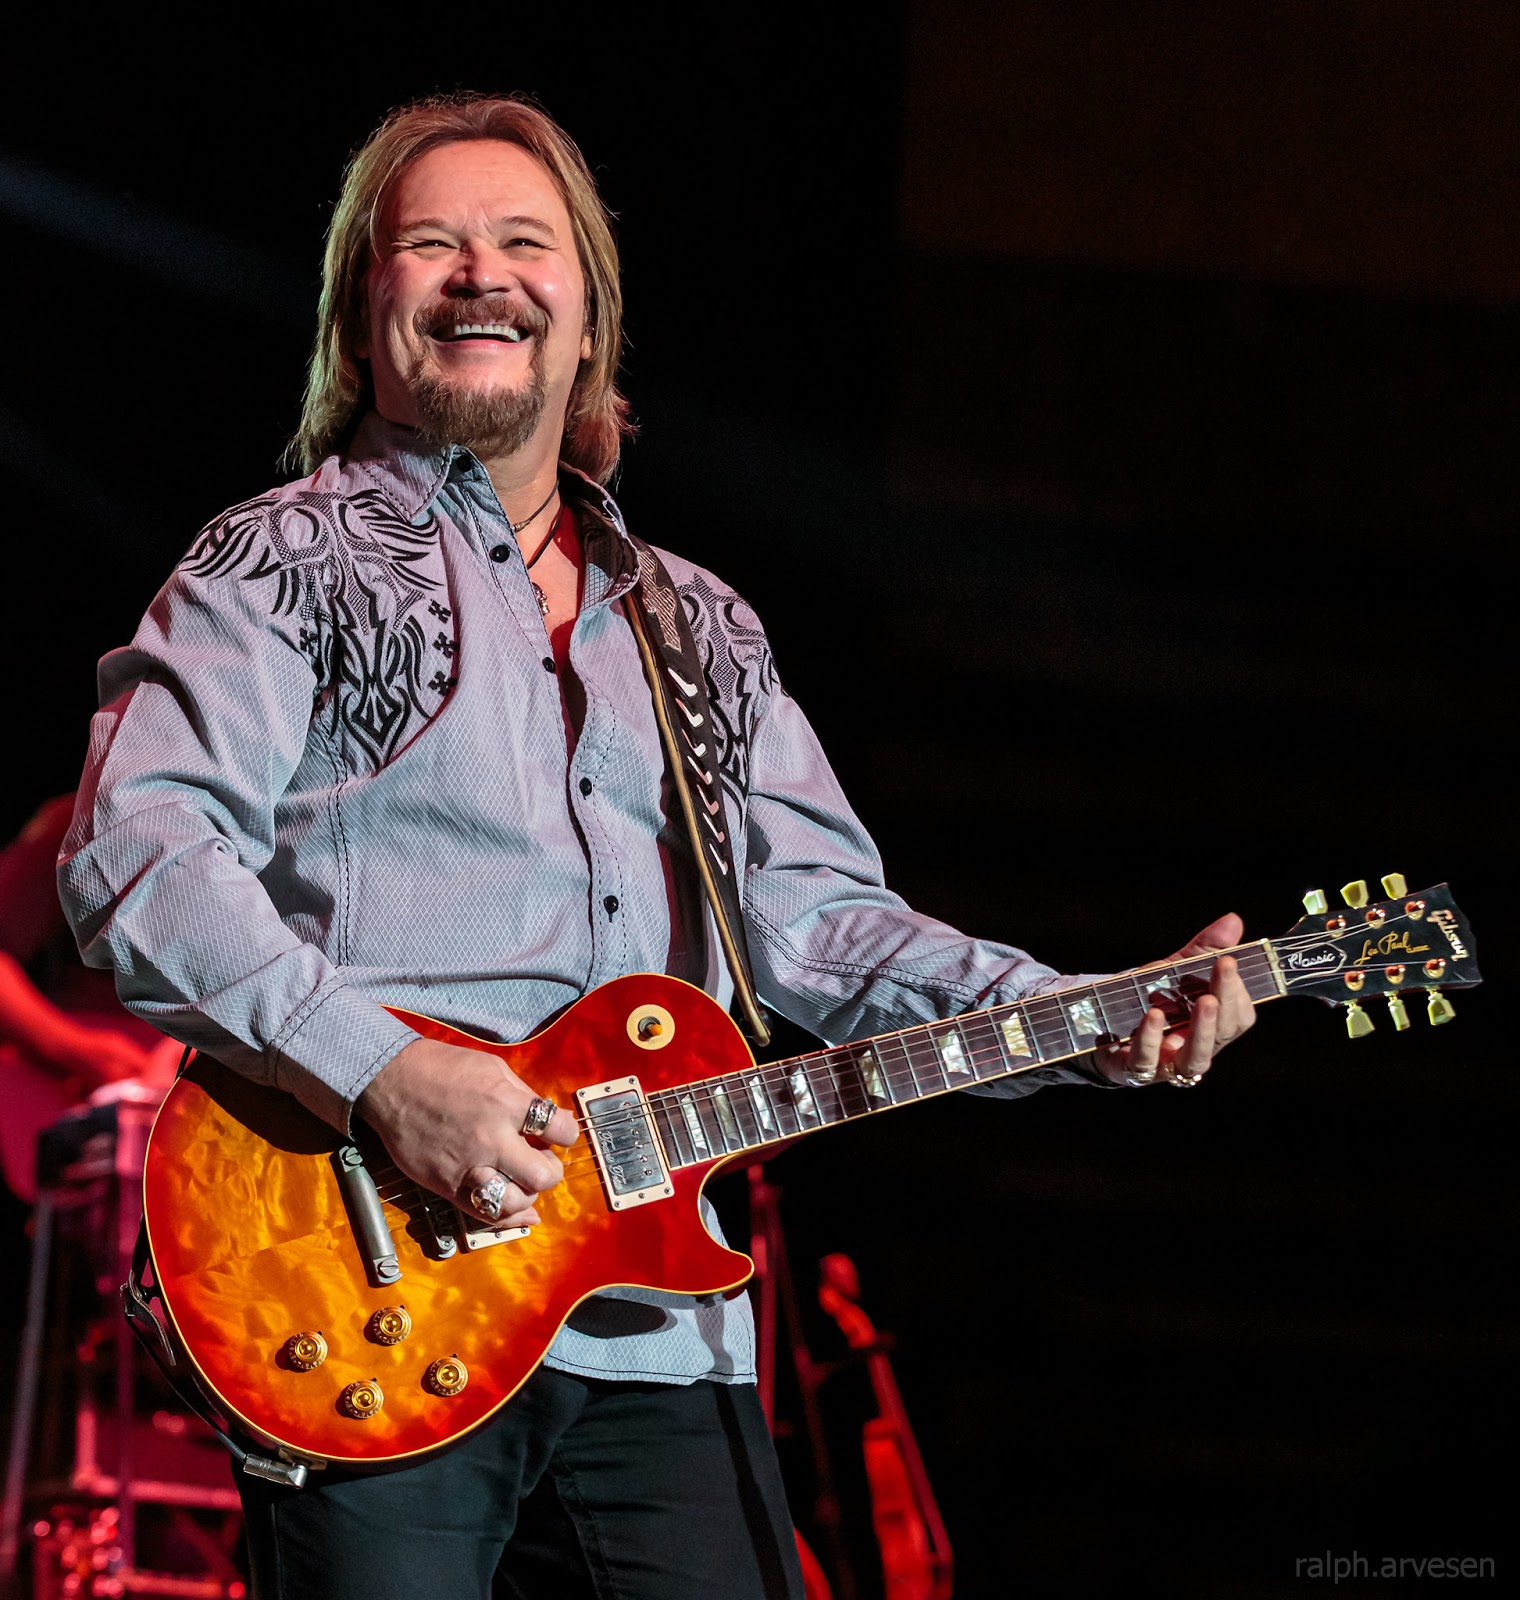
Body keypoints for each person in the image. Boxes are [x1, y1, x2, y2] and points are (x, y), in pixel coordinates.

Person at [57, 94, 1255, 1600]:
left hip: (664, 1345)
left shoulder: (700, 625)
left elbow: (830, 928)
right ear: (365, 325)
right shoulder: (277, 560)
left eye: (523, 242)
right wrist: (384, 1073)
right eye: (430, 244)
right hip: (364, 1300)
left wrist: (1088, 1013)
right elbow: (136, 853)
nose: (481, 272)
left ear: (586, 328)